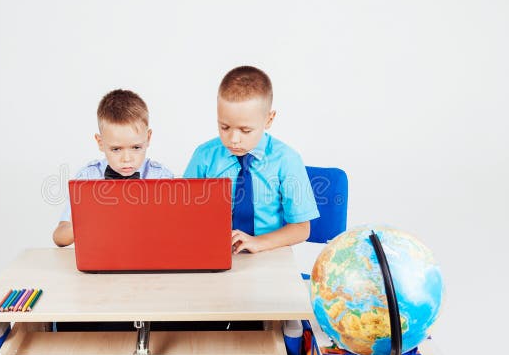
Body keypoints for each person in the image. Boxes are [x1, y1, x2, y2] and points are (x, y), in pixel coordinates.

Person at [184, 65, 319, 254]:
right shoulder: (204, 156)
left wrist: (258, 242)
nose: (233, 139)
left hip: (267, 253)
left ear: (269, 120)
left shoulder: (286, 160)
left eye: (245, 130)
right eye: (224, 127)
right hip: (214, 252)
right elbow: (184, 213)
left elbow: (301, 229)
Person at [52, 89, 173, 247]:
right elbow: (59, 237)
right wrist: (89, 220)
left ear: (148, 138)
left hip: (148, 254)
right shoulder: (88, 177)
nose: (127, 159)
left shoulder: (161, 177)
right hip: (101, 256)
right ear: (100, 143)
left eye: (136, 147)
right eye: (116, 149)